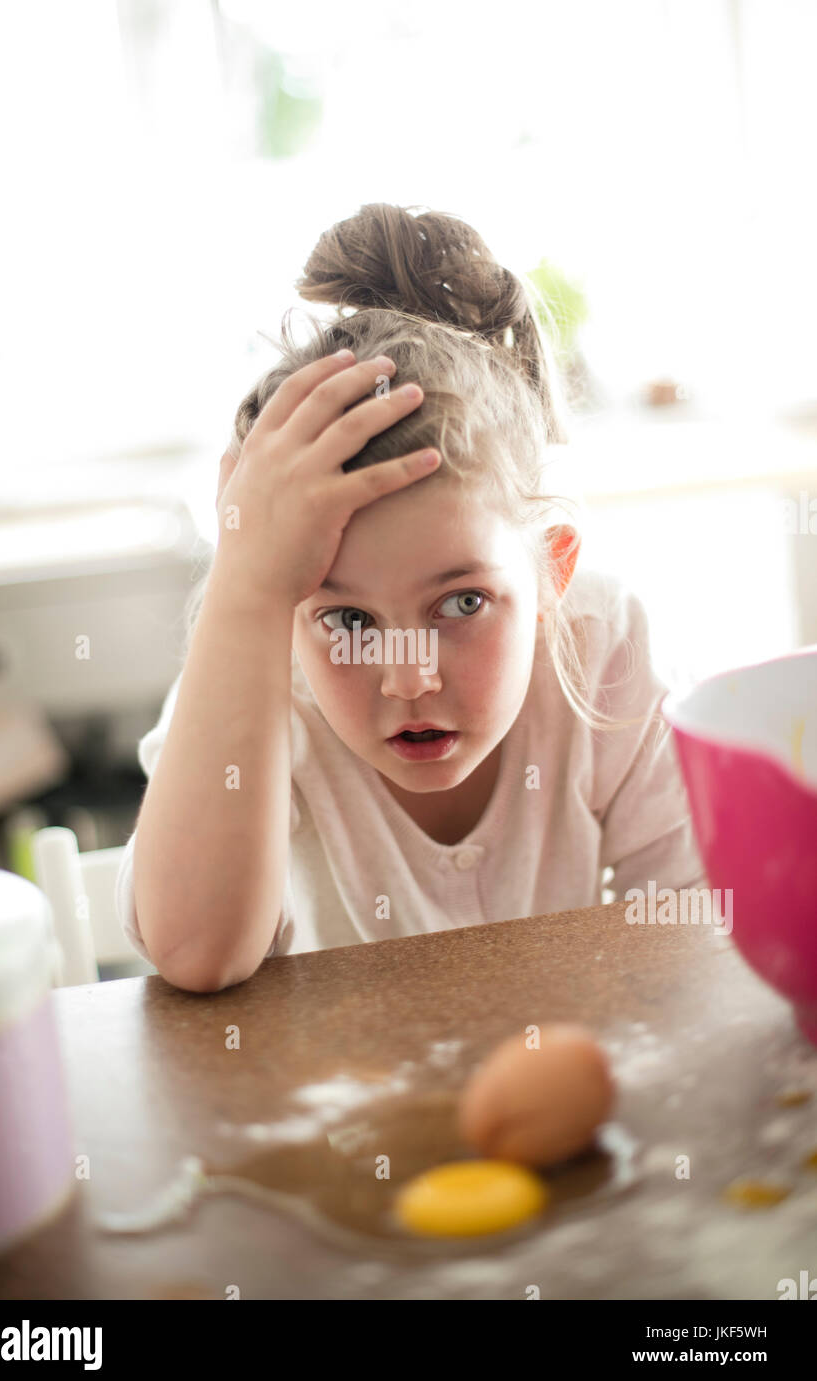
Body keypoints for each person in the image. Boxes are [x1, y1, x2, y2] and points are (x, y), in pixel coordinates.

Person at [115, 203, 706, 992]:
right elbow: (197, 953)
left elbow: (693, 942)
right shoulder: (253, 676)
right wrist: (244, 588)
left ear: (551, 571)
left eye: (461, 604)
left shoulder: (605, 646)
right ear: (285, 612)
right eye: (349, 620)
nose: (408, 679)